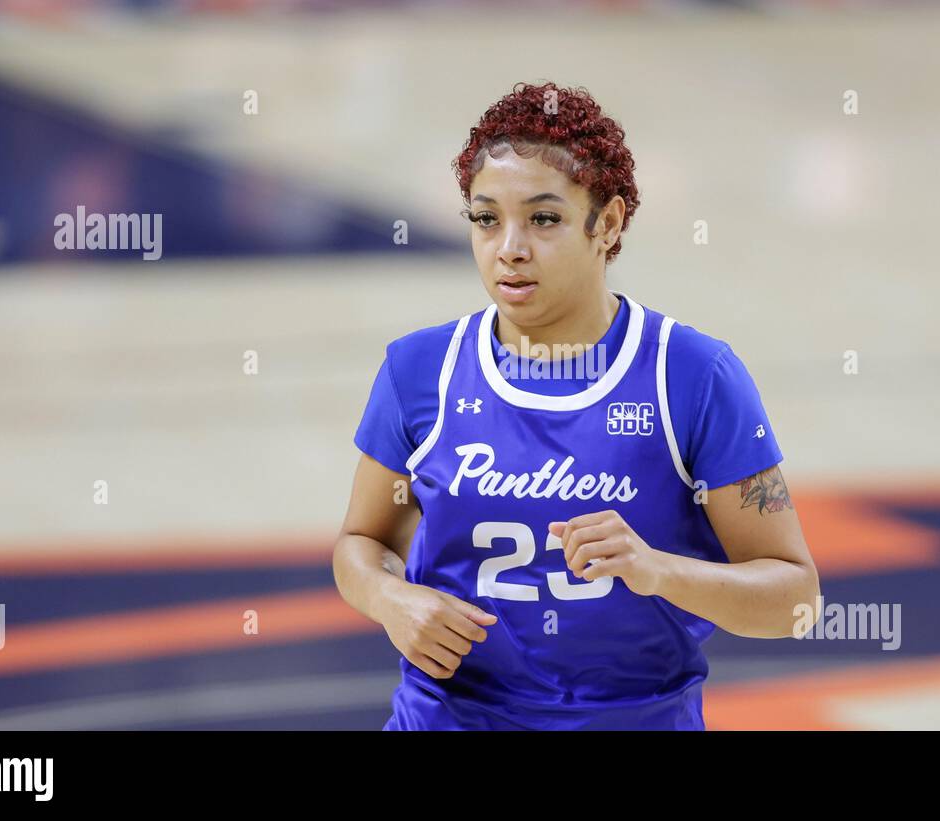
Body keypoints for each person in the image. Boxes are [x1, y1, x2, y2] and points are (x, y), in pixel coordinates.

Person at [332, 81, 819, 730]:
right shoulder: (420, 370)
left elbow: (794, 601)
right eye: (486, 219)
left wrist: (659, 570)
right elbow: (361, 541)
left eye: (543, 219)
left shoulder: (692, 376)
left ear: (608, 223)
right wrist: (388, 597)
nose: (509, 248)